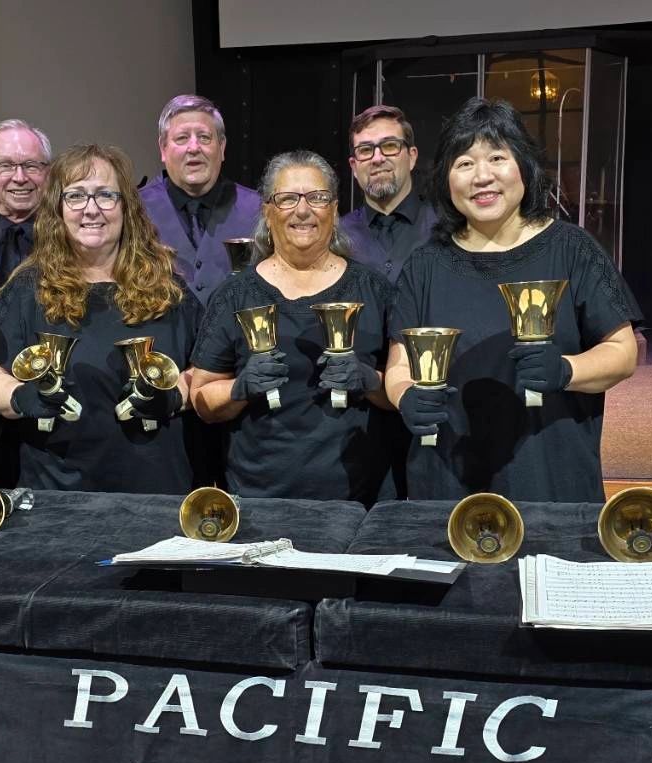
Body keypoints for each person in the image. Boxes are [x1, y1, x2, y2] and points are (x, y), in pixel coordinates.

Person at [384, 98, 639, 504]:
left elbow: (623, 353)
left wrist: (566, 370)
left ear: (524, 166)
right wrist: (406, 396)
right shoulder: (426, 264)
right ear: (446, 180)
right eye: (464, 163)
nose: (482, 177)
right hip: (447, 482)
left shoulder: (572, 249)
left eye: (497, 158)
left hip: (549, 478)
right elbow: (398, 365)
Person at [0, 144, 199, 494]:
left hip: (157, 487)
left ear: (126, 207)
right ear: (58, 210)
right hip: (60, 491)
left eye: (105, 195)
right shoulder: (27, 287)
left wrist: (174, 397)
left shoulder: (168, 286)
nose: (91, 209)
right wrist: (21, 397)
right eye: (76, 196)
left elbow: (201, 371)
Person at [189, 150, 396, 502]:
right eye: (287, 199)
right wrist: (240, 387)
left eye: (317, 198)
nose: (303, 210)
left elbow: (403, 394)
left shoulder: (374, 290)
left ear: (333, 210)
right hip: (259, 501)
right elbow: (201, 398)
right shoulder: (235, 295)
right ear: (268, 212)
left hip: (361, 503)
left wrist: (370, 379)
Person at [138, 94, 260, 306]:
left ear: (221, 147)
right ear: (163, 149)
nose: (194, 148)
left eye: (204, 137)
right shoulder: (134, 209)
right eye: (182, 138)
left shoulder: (258, 209)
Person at [337, 105, 437, 284]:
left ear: (412, 157)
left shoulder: (445, 227)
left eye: (390, 145)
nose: (377, 159)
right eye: (366, 150)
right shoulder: (337, 236)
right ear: (353, 166)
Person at [0, 119, 52, 277]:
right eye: (5, 165)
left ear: (48, 175)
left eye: (31, 165)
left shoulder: (74, 243)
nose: (20, 178)